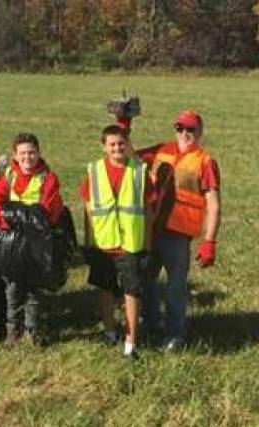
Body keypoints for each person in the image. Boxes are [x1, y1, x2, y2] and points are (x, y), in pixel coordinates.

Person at [136, 111, 221, 351]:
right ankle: (150, 324)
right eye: (179, 128)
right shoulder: (161, 150)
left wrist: (209, 241)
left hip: (177, 235)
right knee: (145, 280)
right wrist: (124, 124)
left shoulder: (205, 161)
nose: (184, 133)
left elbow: (213, 204)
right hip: (151, 228)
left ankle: (175, 334)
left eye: (190, 129)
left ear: (200, 132)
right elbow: (127, 156)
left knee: (175, 287)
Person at [80, 125, 157, 360]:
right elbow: (88, 209)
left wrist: (147, 244)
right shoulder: (94, 171)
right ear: (104, 147)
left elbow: (149, 211)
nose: (117, 148)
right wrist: (89, 241)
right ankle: (110, 331)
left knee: (131, 292)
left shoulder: (140, 172)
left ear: (128, 144)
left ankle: (130, 342)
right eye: (112, 144)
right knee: (105, 289)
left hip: (130, 245)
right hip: (103, 244)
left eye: (121, 143)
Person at [0, 133, 64, 346]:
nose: (27, 157)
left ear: (38, 153)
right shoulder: (7, 176)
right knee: (12, 288)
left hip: (36, 243)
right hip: (11, 241)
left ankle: (32, 330)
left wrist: (12, 213)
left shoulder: (48, 178)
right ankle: (12, 330)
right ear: (15, 155)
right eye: (22, 153)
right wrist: (25, 215)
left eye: (31, 152)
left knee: (33, 288)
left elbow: (48, 213)